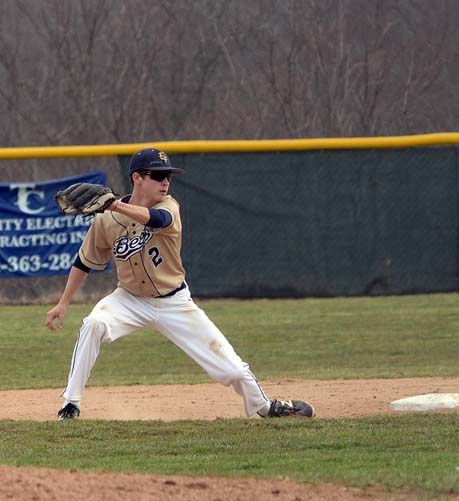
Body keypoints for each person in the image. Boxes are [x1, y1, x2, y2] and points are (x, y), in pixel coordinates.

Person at [44, 148, 314, 420]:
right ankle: (70, 404)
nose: (165, 182)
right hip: (129, 299)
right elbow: (84, 262)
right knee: (93, 324)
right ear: (137, 178)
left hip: (174, 302)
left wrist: (114, 205)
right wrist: (63, 303)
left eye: (168, 176)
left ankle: (266, 407)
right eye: (158, 176)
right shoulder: (106, 219)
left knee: (232, 370)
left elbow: (158, 220)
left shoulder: (168, 206)